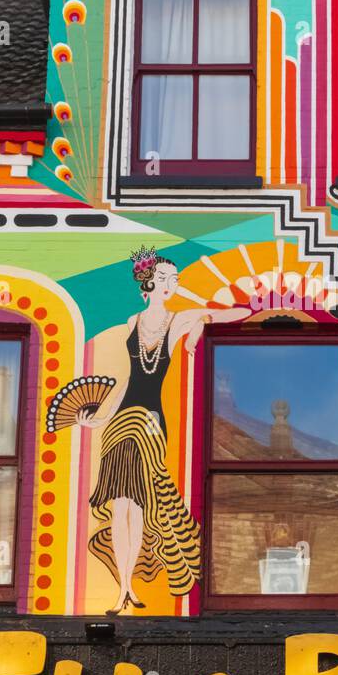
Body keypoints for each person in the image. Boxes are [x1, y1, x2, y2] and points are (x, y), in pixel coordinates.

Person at [78, 247, 251, 613]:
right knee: (120, 505)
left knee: (140, 506)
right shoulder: (131, 323)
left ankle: (130, 586)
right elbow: (128, 379)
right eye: (167, 278)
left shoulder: (180, 318)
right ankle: (124, 586)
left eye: (175, 279)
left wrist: (203, 318)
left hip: (152, 421)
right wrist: (101, 414)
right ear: (149, 284)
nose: (172, 283)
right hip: (121, 422)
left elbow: (241, 312)